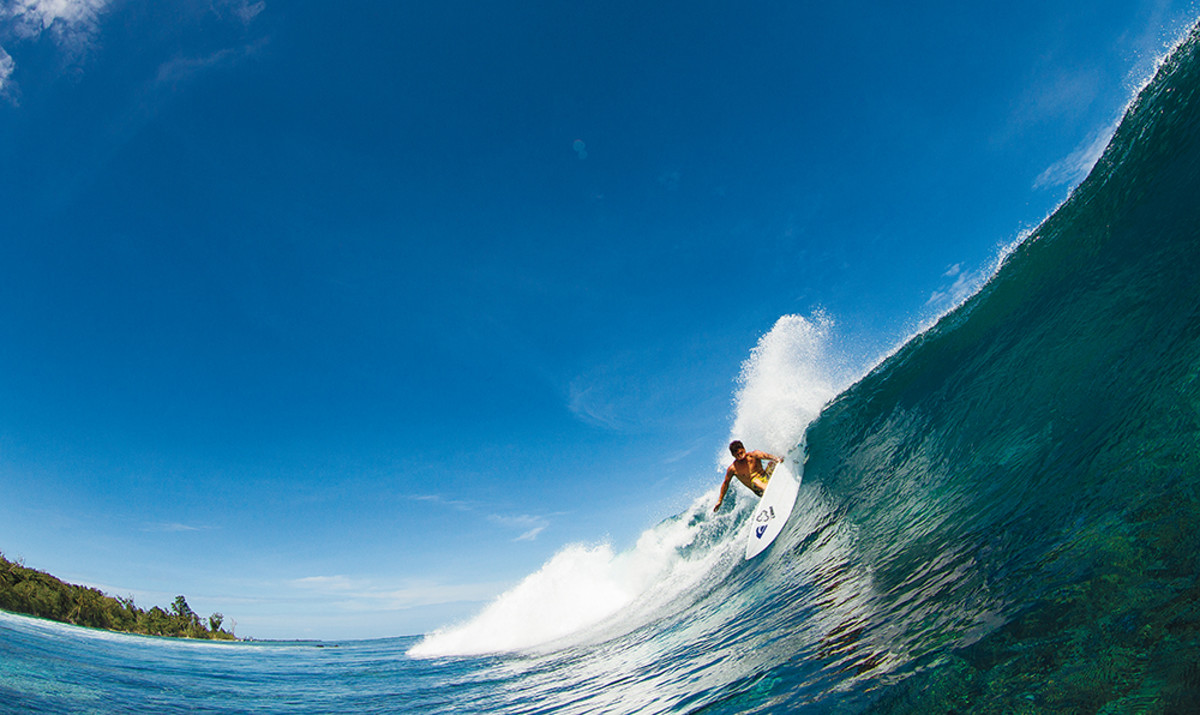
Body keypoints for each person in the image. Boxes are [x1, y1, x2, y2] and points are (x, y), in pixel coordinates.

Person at [713, 440, 784, 512]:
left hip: (766, 477)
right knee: (755, 481)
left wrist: (776, 458)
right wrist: (720, 500)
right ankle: (773, 492)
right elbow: (726, 483)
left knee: (772, 463)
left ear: (744, 449)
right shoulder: (733, 469)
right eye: (737, 455)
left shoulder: (753, 455)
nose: (740, 456)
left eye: (741, 452)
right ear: (733, 455)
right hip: (759, 489)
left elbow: (764, 455)